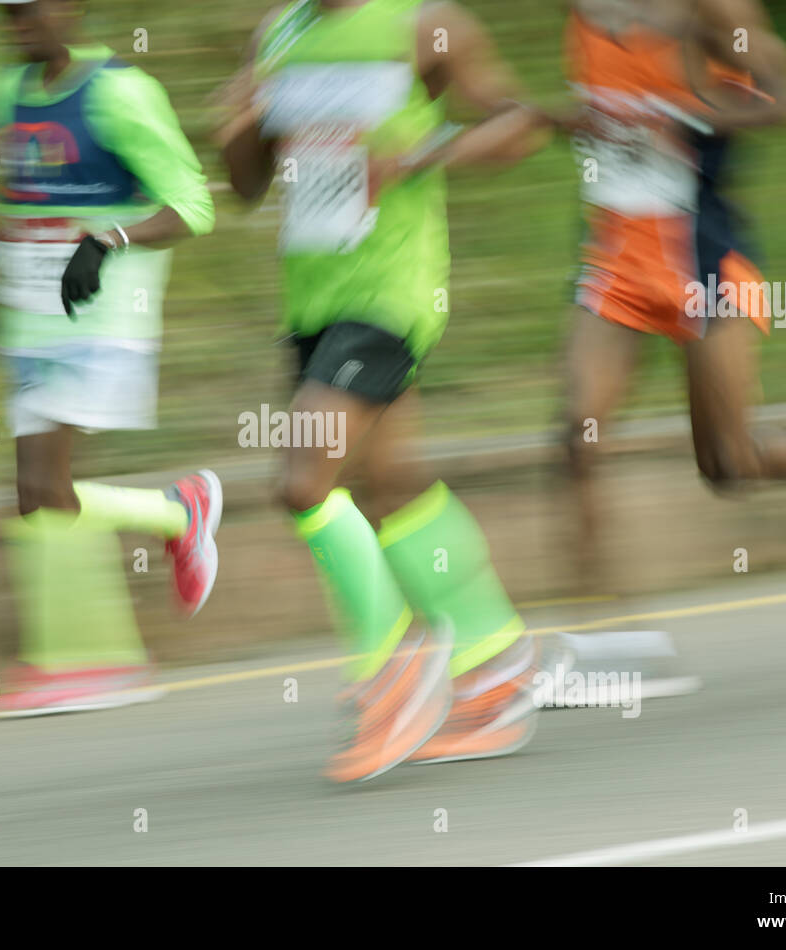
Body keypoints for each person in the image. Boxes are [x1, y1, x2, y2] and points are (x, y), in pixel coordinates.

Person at [217, 0, 557, 781]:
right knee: (394, 494)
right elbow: (244, 186)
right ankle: (497, 673)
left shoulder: (428, 25)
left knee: (302, 480)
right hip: (313, 297)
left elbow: (521, 121)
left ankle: (395, 672)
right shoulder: (279, 32)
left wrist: (417, 154)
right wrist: (239, 125)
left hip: (391, 292)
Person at [559, 0, 786, 613]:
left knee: (728, 464)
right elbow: (605, 105)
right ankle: (605, 642)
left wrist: (682, 116)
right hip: (618, 257)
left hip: (701, 253)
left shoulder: (707, 11)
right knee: (578, 437)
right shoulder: (586, 12)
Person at [0, 0, 222, 713]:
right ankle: (176, 518)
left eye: (26, 10)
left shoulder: (122, 94)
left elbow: (193, 204)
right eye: (2, 12)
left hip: (103, 316)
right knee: (37, 497)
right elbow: (15, 200)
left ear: (71, 7)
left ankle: (99, 661)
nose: (13, 23)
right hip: (27, 320)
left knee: (41, 483)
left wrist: (107, 241)